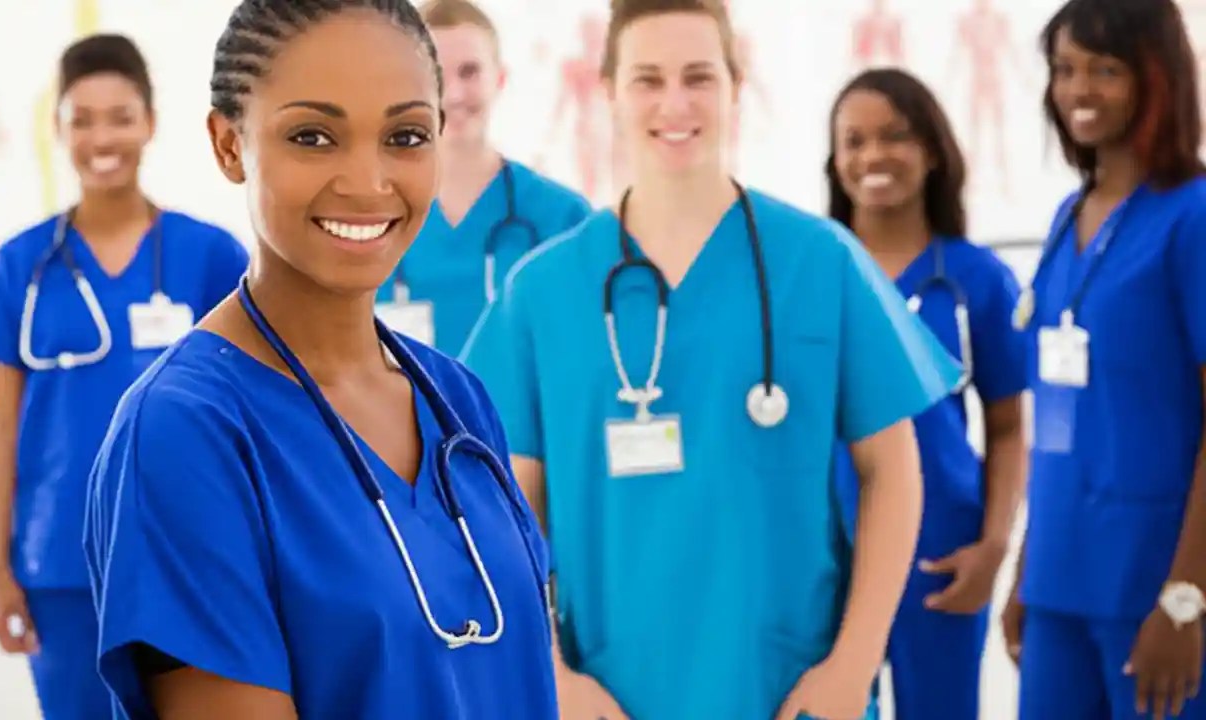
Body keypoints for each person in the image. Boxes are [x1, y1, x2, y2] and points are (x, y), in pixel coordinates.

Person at [461, 1, 965, 717]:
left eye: (699, 77)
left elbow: (894, 472)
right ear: (609, 93)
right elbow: (507, 505)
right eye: (647, 79)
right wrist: (548, 673)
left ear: (736, 84)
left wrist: (853, 664)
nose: (675, 103)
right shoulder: (542, 291)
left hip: (789, 688)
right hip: (612, 693)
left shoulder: (819, 262)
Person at [82, 2, 555, 718]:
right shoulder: (183, 434)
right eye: (313, 136)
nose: (368, 182)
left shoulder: (457, 400)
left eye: (405, 136)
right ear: (228, 144)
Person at [0, 33, 248, 720]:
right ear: (57, 129)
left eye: (120, 116)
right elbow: (2, 430)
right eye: (80, 119)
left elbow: (250, 411)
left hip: (187, 553)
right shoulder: (19, 267)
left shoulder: (209, 255)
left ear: (150, 121)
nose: (101, 137)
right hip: (59, 564)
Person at [1002, 1, 1206, 718]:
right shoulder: (1068, 216)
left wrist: (1185, 600)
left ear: (1157, 79)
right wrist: (1029, 569)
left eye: (1105, 69)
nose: (1078, 89)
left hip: (1153, 584)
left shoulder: (1194, 215)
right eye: (1064, 69)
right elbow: (1062, 423)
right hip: (1058, 581)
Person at [826, 67, 1028, 720]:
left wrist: (993, 547)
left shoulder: (978, 281)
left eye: (896, 136)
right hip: (827, 555)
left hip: (942, 556)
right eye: (854, 141)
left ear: (934, 151)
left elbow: (1005, 428)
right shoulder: (814, 272)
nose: (873, 156)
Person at [373, 0, 591, 358]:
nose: (454, 93)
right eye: (437, 75)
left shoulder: (561, 218)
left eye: (470, 72)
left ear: (500, 78)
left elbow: (584, 356)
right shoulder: (370, 215)